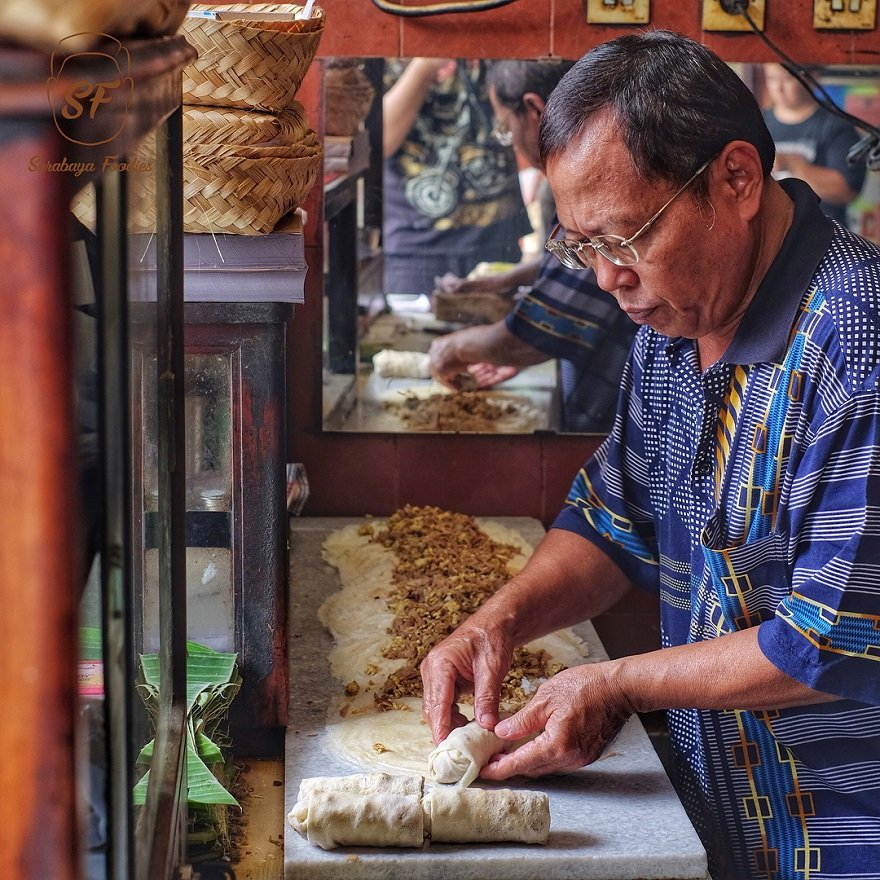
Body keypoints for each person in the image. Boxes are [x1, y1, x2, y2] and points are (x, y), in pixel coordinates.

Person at [420, 31, 880, 880]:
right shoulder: (674, 330)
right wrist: (498, 622)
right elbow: (611, 517)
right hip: (725, 825)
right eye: (580, 245)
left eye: (624, 239)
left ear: (735, 179)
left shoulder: (857, 345)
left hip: (843, 841)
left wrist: (619, 683)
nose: (604, 278)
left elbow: (832, 640)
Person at [428, 59, 637, 433]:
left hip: (621, 407)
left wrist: (453, 349)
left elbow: (552, 322)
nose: (512, 143)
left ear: (534, 110)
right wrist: (501, 283)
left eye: (506, 128)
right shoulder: (576, 177)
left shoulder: (594, 181)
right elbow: (574, 268)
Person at [382, 58, 533, 295]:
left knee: (500, 326)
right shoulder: (389, 48)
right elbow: (378, 143)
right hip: (415, 245)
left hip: (498, 236)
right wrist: (424, 64)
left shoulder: (500, 41)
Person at [762, 62, 866, 226]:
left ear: (812, 77)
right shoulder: (758, 122)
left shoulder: (835, 125)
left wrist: (795, 166)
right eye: (772, 79)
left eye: (788, 79)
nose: (778, 88)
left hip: (822, 235)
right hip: (770, 232)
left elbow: (847, 189)